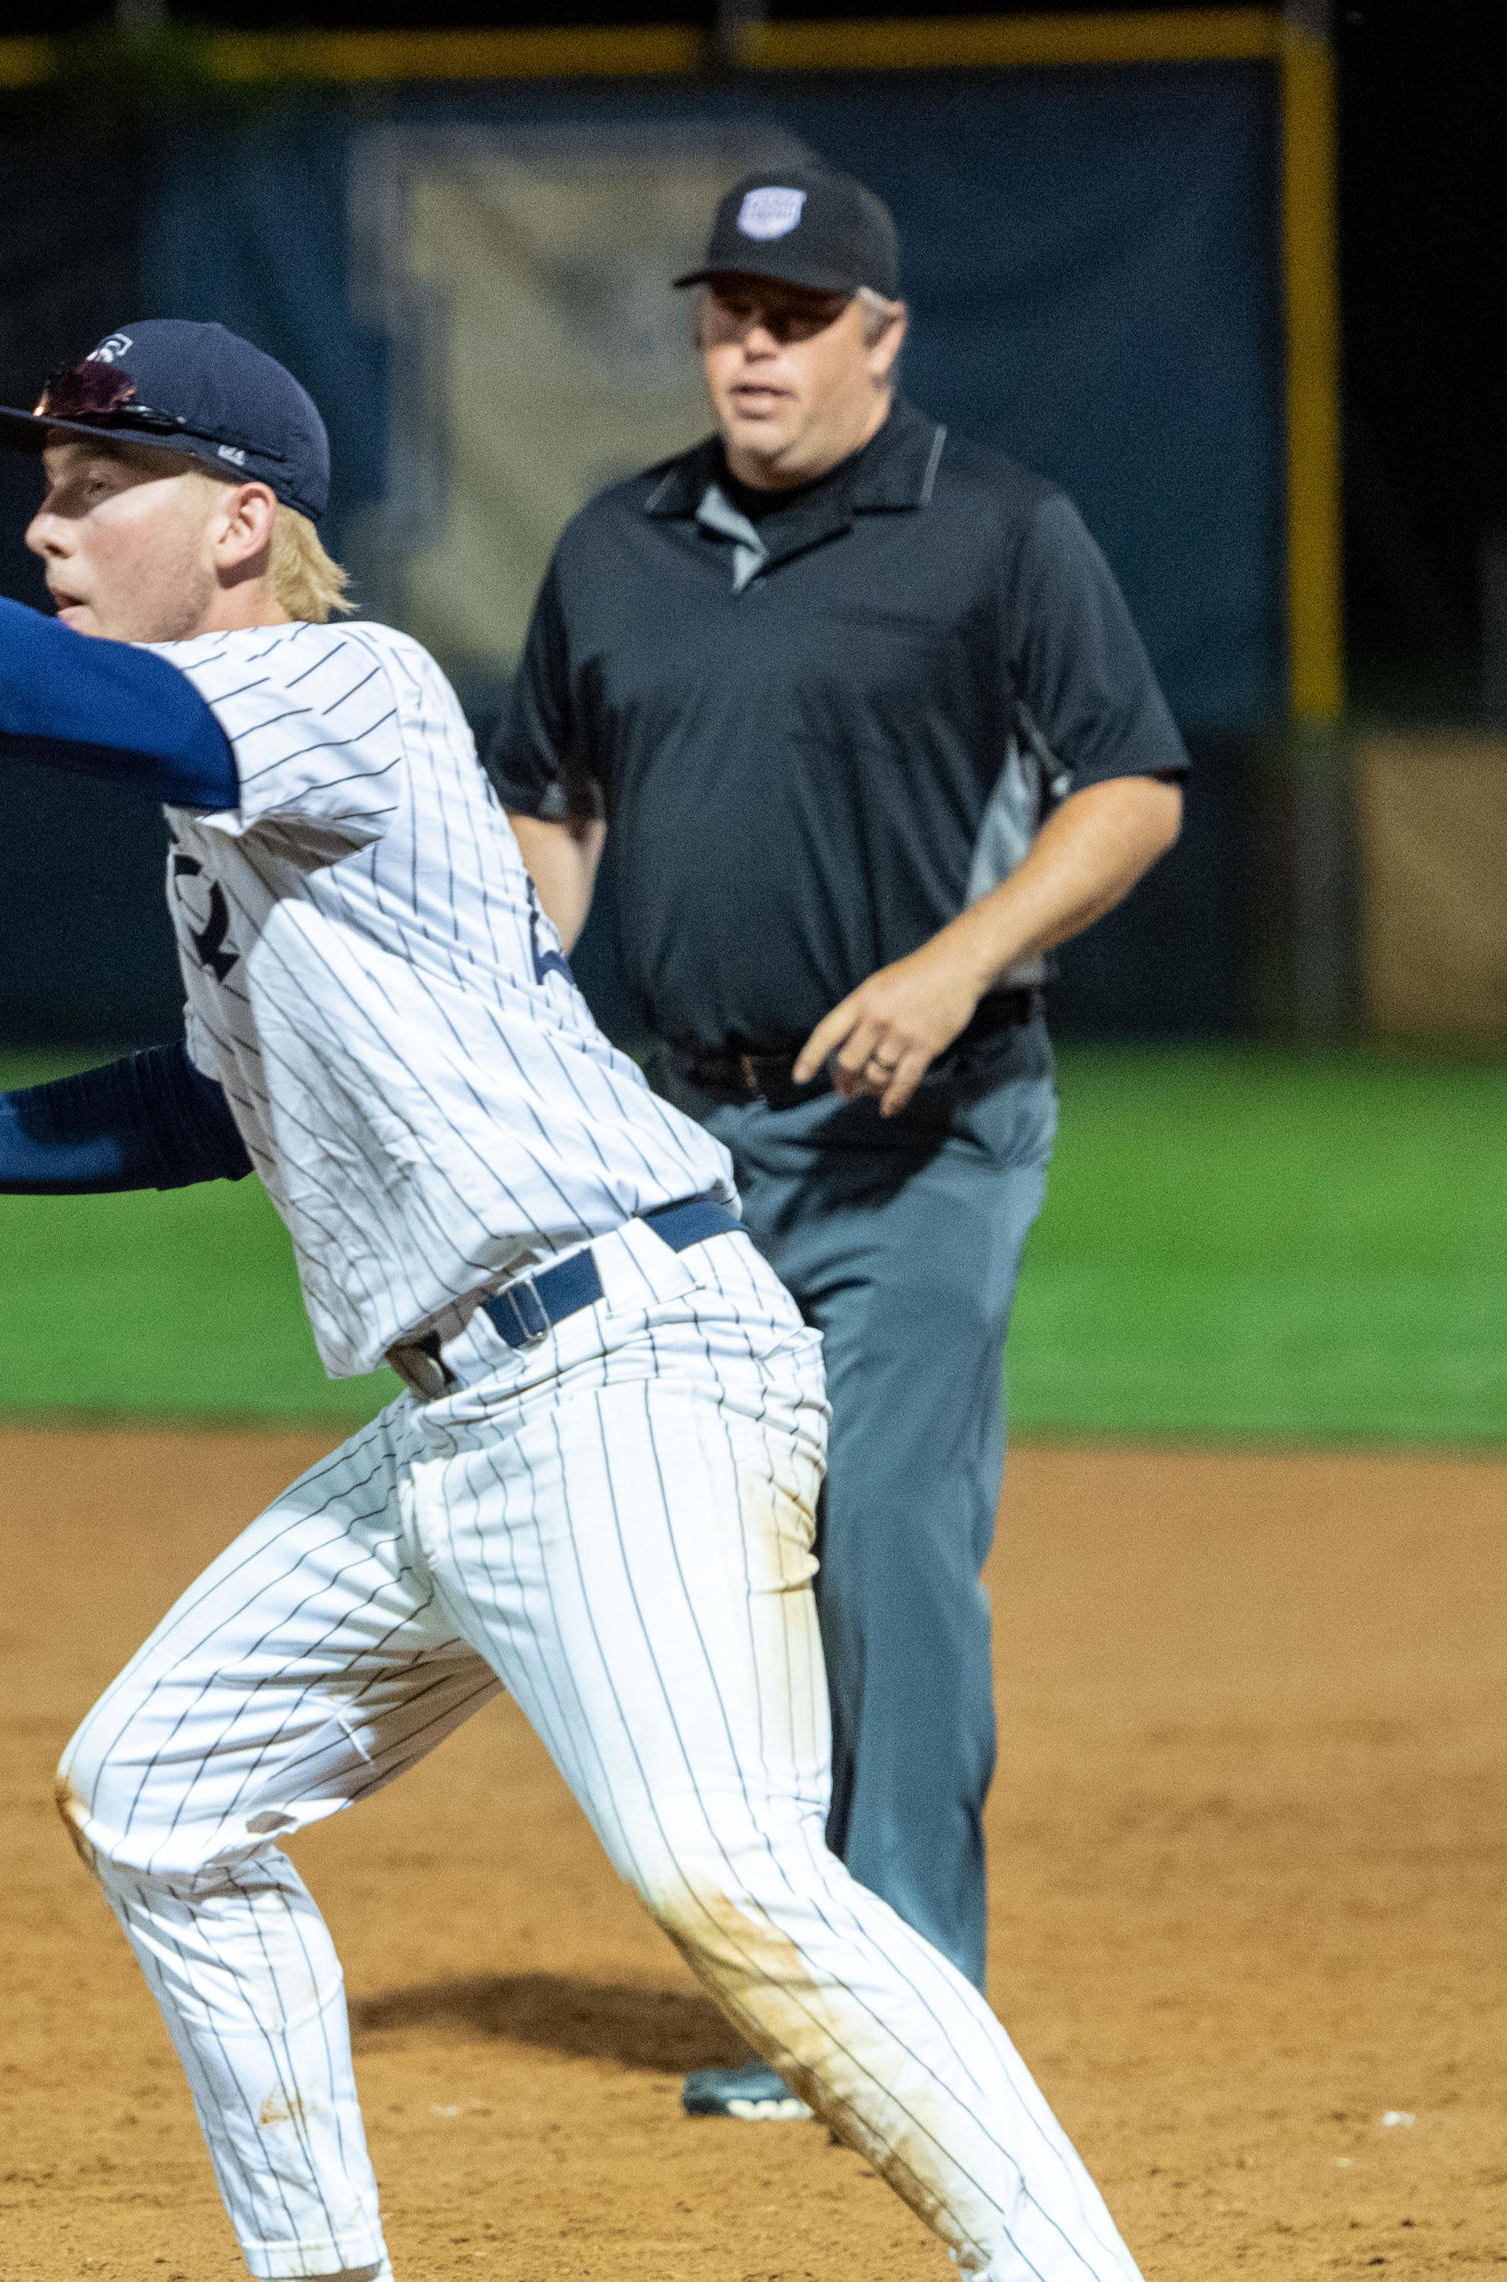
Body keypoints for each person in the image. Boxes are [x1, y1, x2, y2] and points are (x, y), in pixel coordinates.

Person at [0, 319, 1291, 2282]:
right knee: (157, 1789)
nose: (41, 518)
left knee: (728, 1868)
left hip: (626, 1374)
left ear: (238, 519)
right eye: (40, 477)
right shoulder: (235, 777)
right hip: (466, 1421)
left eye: (89, 477)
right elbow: (216, 1097)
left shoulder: (352, 689)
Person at [493, 167, 1191, 2119]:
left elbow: (1132, 791)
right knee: (722, 1569)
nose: (753, 349)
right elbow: (553, 808)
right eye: (730, 313)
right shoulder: (614, 545)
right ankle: (798, 1960)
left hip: (926, 1136)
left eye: (797, 317)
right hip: (686, 1145)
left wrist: (959, 964)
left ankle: (897, 1995)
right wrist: (518, 997)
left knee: (882, 1523)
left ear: (883, 337)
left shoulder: (998, 531)